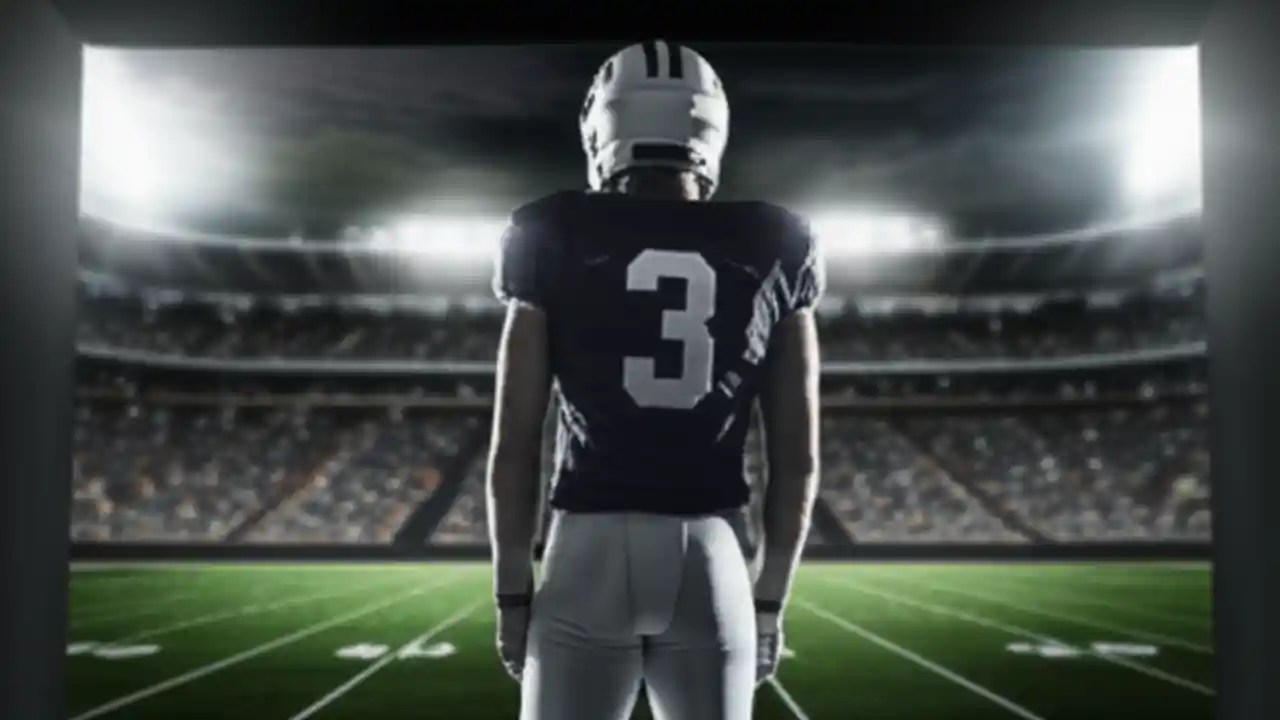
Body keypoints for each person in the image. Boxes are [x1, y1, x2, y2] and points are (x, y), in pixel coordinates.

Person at [486, 39, 823, 720]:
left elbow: (513, 447)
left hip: (586, 549)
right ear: (712, 130)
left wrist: (512, 597)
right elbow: (799, 460)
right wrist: (768, 600)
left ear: (601, 128)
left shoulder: (550, 228)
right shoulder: (776, 239)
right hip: (709, 552)